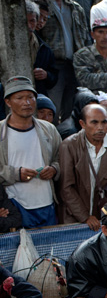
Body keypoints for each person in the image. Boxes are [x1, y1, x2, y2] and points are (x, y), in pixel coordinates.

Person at [0, 77, 61, 228]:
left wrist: (54, 169)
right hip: (16, 204)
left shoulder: (49, 129)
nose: (27, 103)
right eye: (20, 98)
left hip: (47, 203)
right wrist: (15, 174)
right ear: (8, 102)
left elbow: (62, 158)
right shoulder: (1, 132)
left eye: (30, 97)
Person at [59, 104, 107, 228]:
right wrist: (84, 216)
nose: (100, 128)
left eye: (104, 122)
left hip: (106, 214)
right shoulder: (69, 145)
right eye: (94, 123)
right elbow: (66, 188)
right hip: (75, 217)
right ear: (82, 124)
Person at [36, 0, 91, 126]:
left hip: (74, 66)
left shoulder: (75, 7)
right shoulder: (36, 4)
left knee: (71, 111)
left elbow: (84, 38)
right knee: (51, 109)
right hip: (52, 67)